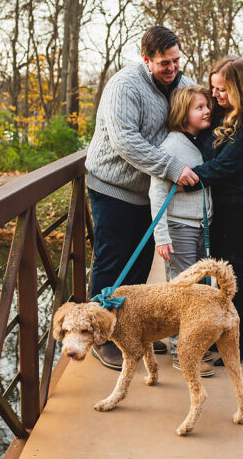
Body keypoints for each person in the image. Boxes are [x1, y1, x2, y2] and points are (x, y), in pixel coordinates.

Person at [85, 26, 199, 370]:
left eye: (176, 60)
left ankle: (128, 333)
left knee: (138, 268)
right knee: (112, 263)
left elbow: (207, 109)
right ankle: (100, 338)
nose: (172, 68)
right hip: (113, 188)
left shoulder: (181, 81)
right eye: (165, 62)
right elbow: (125, 141)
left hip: (148, 192)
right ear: (146, 59)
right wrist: (171, 167)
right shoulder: (124, 86)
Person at [187, 56, 243, 363]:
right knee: (220, 264)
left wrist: (185, 179)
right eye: (214, 88)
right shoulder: (221, 109)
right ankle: (220, 331)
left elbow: (224, 166)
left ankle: (241, 341)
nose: (216, 94)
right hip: (226, 198)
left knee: (233, 265)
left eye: (222, 89)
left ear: (238, 88)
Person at [149, 85, 215, 377]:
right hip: (180, 228)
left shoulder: (199, 141)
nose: (206, 111)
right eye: (199, 107)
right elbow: (157, 193)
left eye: (206, 106)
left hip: (202, 226)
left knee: (200, 291)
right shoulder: (173, 146)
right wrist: (161, 236)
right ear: (182, 113)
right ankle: (180, 353)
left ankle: (194, 345)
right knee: (183, 293)